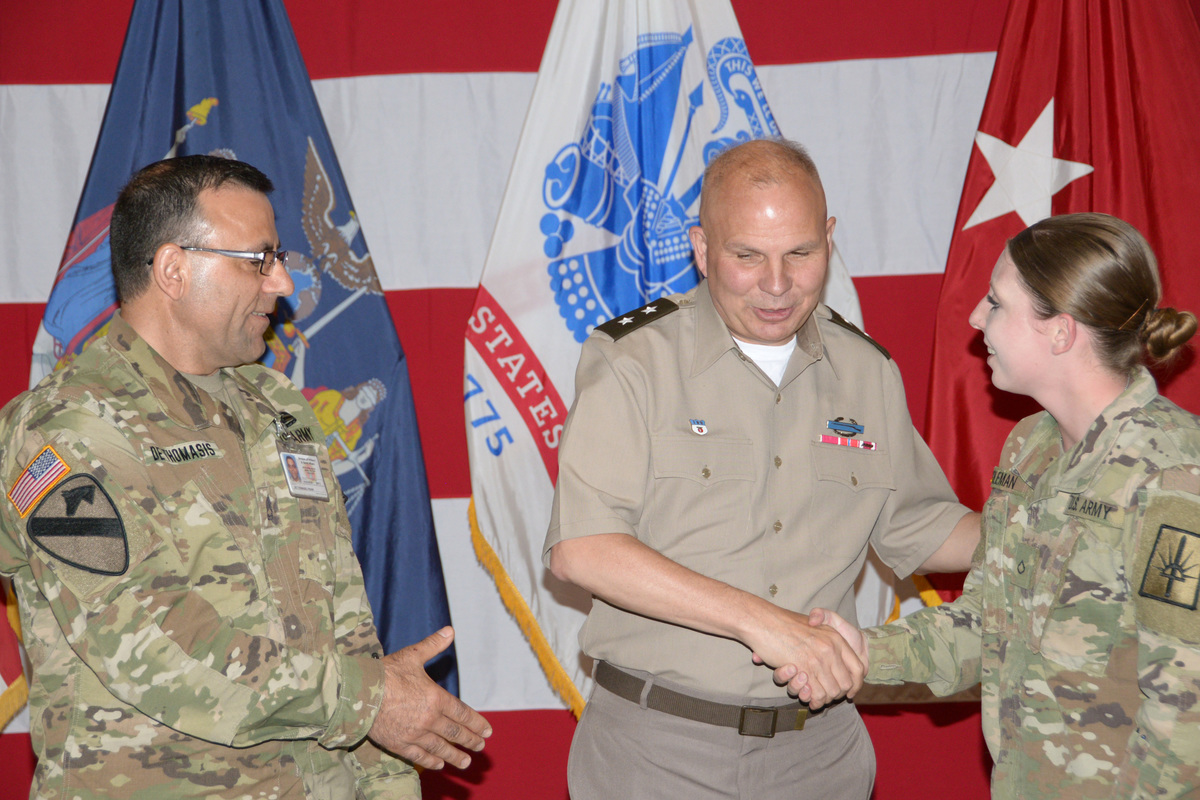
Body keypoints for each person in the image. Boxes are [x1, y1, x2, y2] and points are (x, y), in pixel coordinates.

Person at [0, 155, 490, 799]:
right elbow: (147, 643)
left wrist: (382, 778)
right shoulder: (67, 426)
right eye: (258, 260)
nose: (282, 281)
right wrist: (369, 699)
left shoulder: (277, 407)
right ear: (173, 269)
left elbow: (344, 621)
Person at [543, 138, 980, 799]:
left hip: (821, 755)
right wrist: (762, 622)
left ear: (829, 240)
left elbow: (921, 529)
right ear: (701, 247)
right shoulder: (634, 361)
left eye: (799, 254)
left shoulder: (866, 371)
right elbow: (582, 550)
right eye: (747, 256)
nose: (777, 284)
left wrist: (1054, 525)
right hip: (661, 751)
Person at [787, 213, 1200, 798]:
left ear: (1060, 332)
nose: (977, 318)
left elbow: (1186, 711)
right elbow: (988, 625)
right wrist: (862, 651)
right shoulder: (1029, 447)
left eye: (996, 303)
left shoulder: (1174, 474)